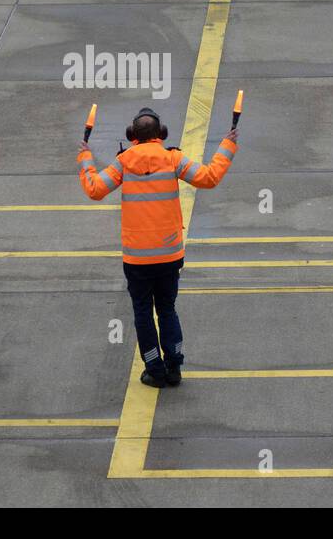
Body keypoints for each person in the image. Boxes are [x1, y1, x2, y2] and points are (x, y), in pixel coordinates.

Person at [77, 107, 236, 388]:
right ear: (160, 135)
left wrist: (85, 156)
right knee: (167, 309)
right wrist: (227, 144)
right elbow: (209, 177)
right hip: (169, 255)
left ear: (132, 136)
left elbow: (94, 189)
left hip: (137, 260)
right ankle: (174, 366)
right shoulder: (173, 158)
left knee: (142, 312)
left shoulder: (123, 162)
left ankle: (154, 369)